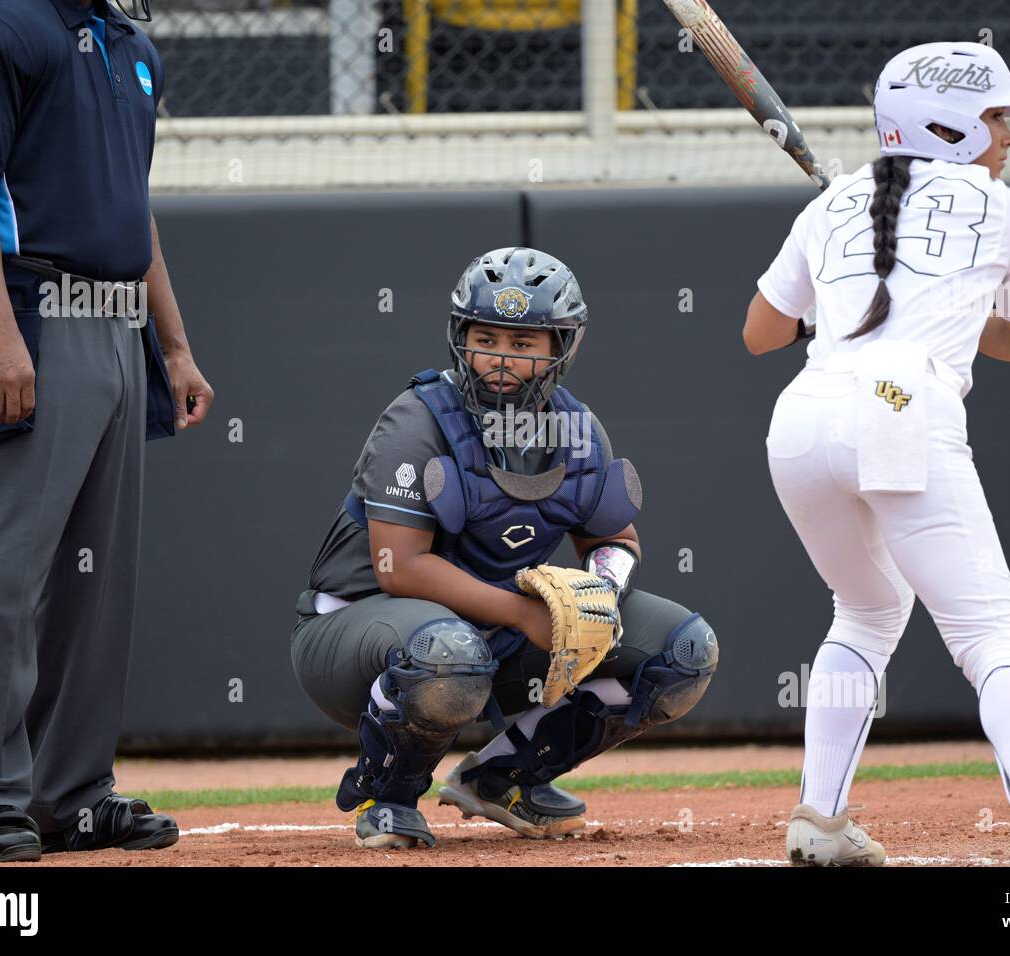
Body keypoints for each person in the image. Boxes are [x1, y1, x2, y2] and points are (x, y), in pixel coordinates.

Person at [743, 42, 1010, 867]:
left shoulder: (831, 202)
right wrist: (935, 304)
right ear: (943, 126)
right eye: (995, 119)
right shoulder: (1003, 207)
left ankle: (818, 819)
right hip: (903, 405)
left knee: (866, 612)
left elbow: (761, 334)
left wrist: (859, 308)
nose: (1009, 137)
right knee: (987, 631)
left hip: (802, 418)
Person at [0, 0, 213, 862]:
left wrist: (174, 346)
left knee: (94, 587)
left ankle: (68, 795)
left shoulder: (130, 43)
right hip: (26, 313)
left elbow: (129, 210)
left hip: (115, 326)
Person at [291, 247, 718, 849]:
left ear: (560, 346)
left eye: (523, 343)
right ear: (459, 336)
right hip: (354, 633)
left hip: (493, 636)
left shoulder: (576, 428)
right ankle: (386, 791)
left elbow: (615, 540)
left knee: (682, 653)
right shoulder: (417, 418)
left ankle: (505, 777)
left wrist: (599, 593)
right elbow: (399, 567)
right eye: (485, 336)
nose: (499, 357)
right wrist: (525, 613)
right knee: (450, 653)